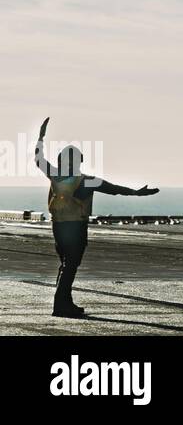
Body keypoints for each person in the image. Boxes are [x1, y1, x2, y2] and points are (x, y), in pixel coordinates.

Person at [33, 118, 160, 319]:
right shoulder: (86, 181)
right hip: (75, 228)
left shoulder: (54, 176)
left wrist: (40, 137)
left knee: (65, 265)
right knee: (71, 265)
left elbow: (38, 159)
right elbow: (114, 189)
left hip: (57, 227)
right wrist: (136, 193)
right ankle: (60, 304)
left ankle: (65, 302)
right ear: (77, 161)